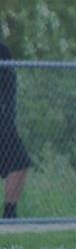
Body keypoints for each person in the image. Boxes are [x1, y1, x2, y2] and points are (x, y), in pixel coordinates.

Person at [0, 38, 30, 219]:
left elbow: (10, 88)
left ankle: (9, 212)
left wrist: (9, 120)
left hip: (2, 121)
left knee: (20, 162)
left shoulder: (2, 51)